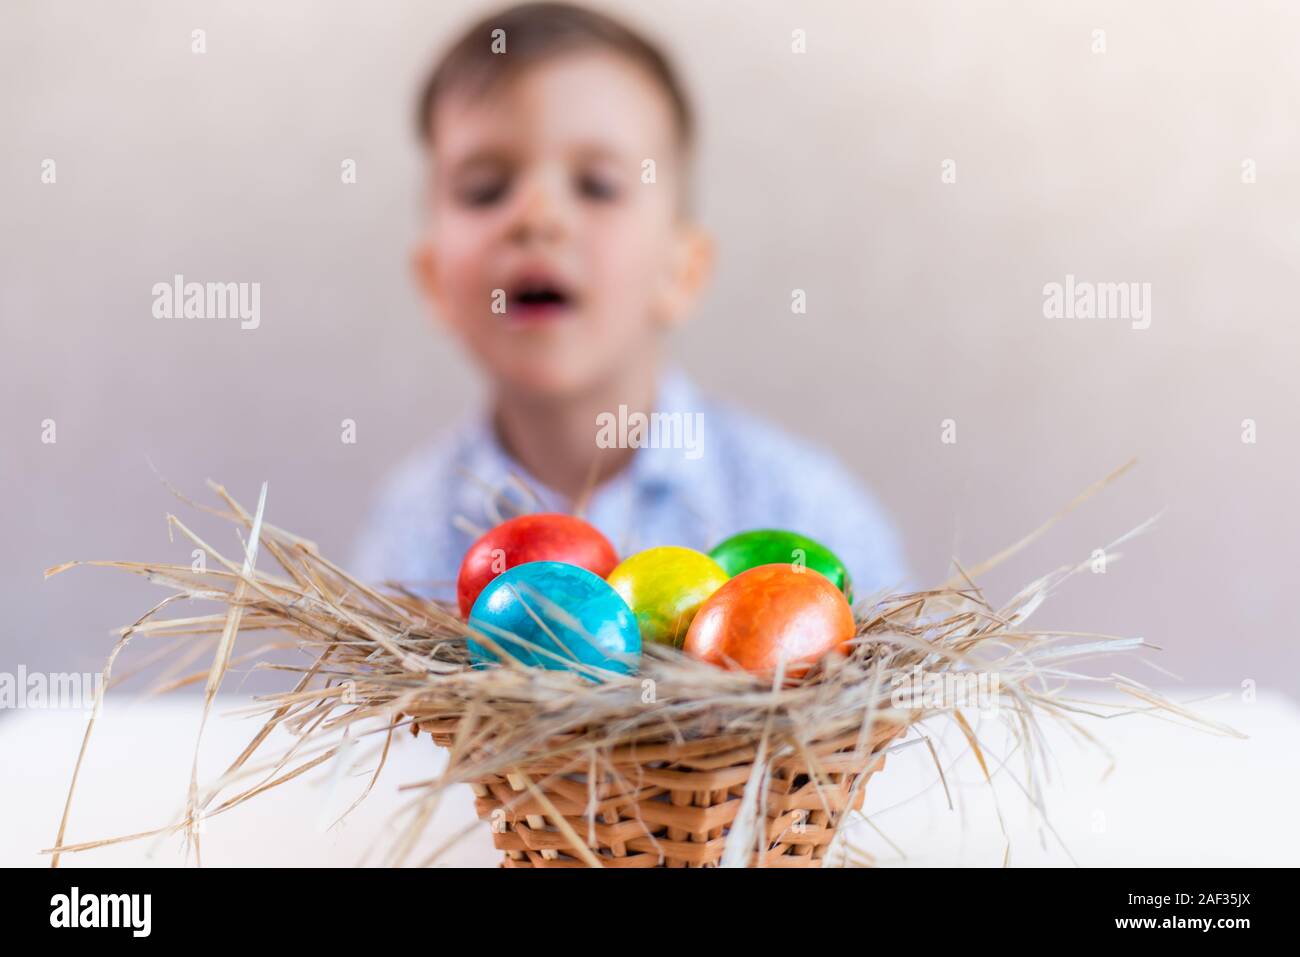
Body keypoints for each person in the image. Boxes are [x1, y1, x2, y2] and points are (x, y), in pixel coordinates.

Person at [352, 2, 906, 602]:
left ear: (681, 272)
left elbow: (901, 690)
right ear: (435, 281)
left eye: (598, 186)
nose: (538, 218)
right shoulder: (409, 535)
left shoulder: (801, 508)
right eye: (486, 190)